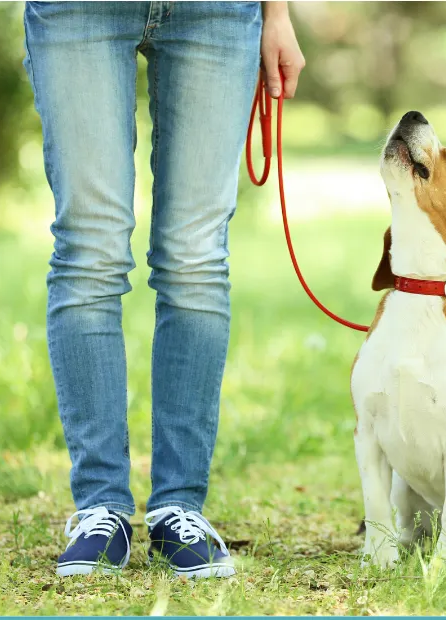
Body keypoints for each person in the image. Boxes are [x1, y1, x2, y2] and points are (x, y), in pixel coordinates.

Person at [23, 1, 304, 578]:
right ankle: (101, 507)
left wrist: (278, 13)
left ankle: (180, 507)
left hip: (217, 12)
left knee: (194, 260)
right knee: (89, 251)